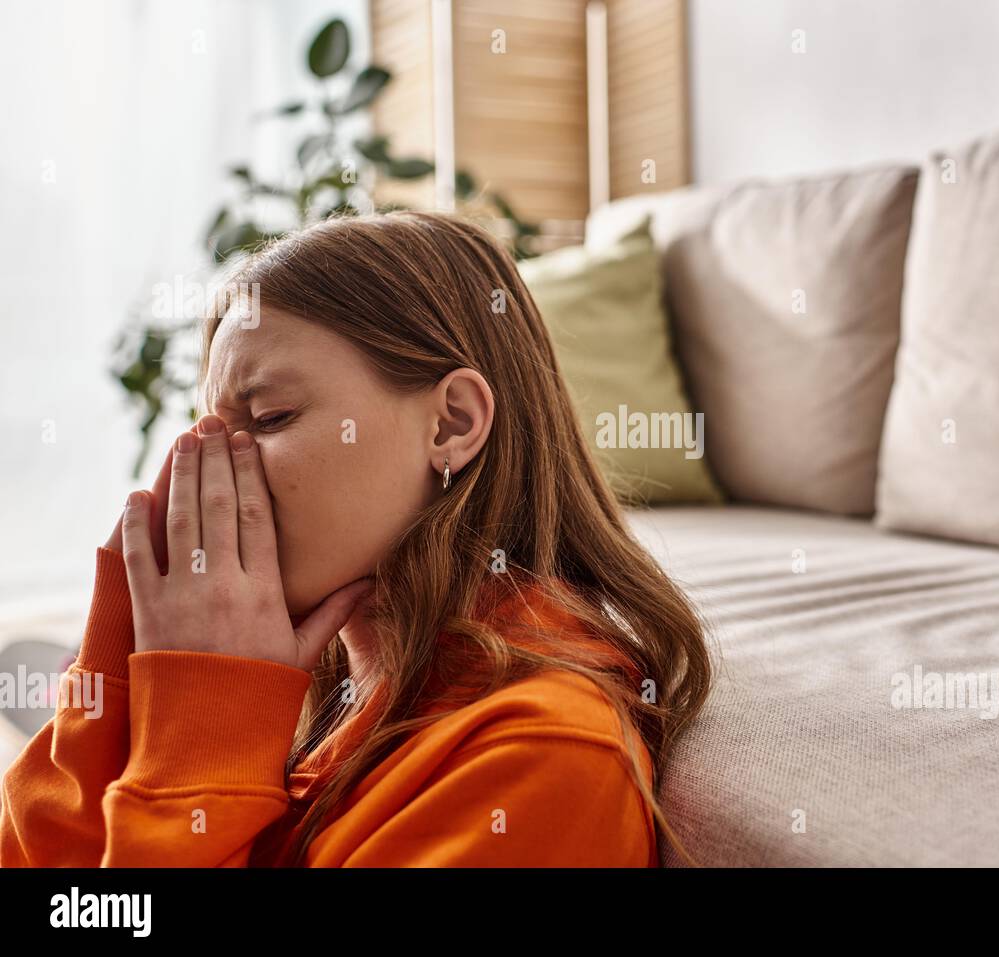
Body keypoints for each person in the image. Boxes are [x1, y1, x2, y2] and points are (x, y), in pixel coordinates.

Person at [0, 211, 713, 867]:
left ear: (451, 424)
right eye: (207, 427)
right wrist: (122, 657)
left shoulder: (538, 757)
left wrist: (207, 722)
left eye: (271, 417)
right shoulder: (327, 704)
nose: (212, 469)